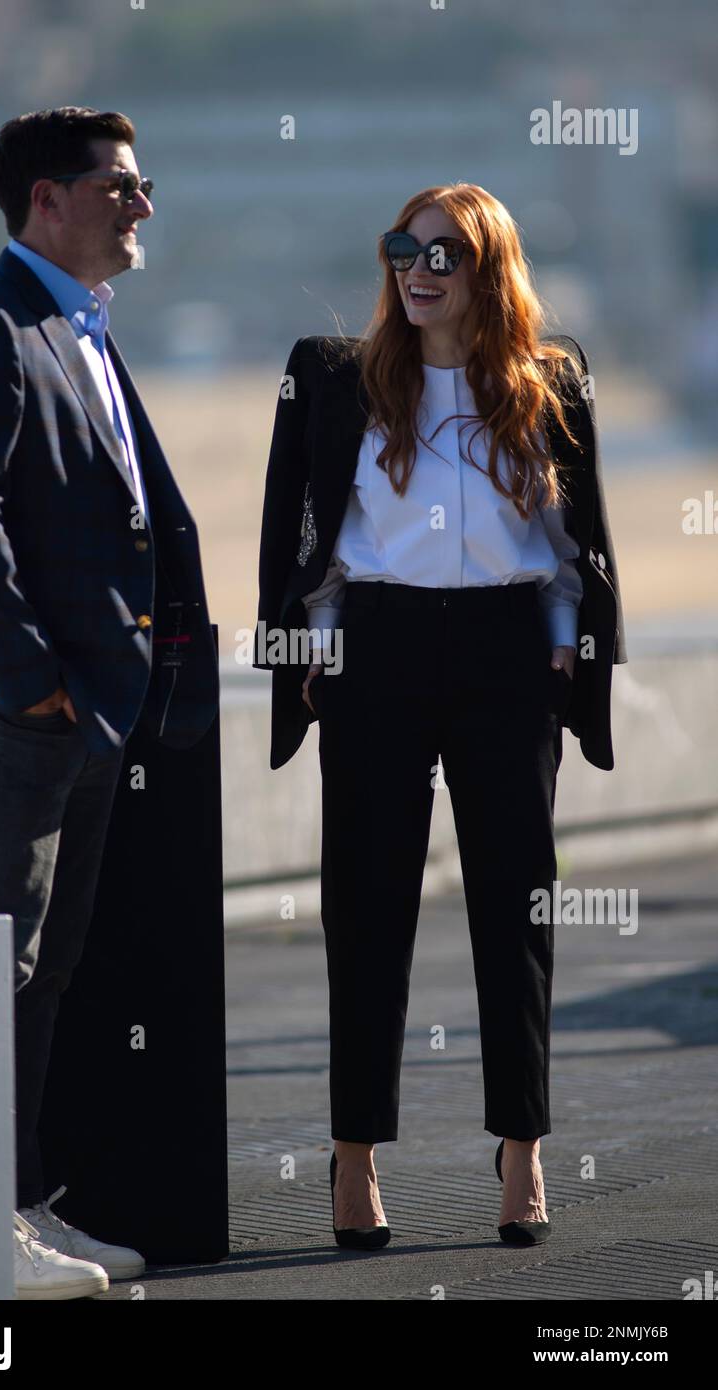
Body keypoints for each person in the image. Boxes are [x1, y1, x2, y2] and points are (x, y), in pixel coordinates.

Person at [256, 182, 626, 1250]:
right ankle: (356, 1154)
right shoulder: (336, 376)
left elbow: (577, 535)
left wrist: (563, 631)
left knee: (519, 910)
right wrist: (316, 644)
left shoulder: (549, 381)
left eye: (443, 255)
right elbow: (306, 525)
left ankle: (522, 1147)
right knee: (364, 908)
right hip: (377, 649)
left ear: (488, 271)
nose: (417, 271)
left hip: (511, 658)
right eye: (402, 250)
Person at [0, 106, 218, 1297]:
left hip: (80, 718)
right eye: (120, 186)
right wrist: (28, 684)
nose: (142, 204)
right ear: (46, 200)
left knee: (44, 969)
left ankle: (19, 1204)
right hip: (8, 719)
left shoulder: (78, 328)